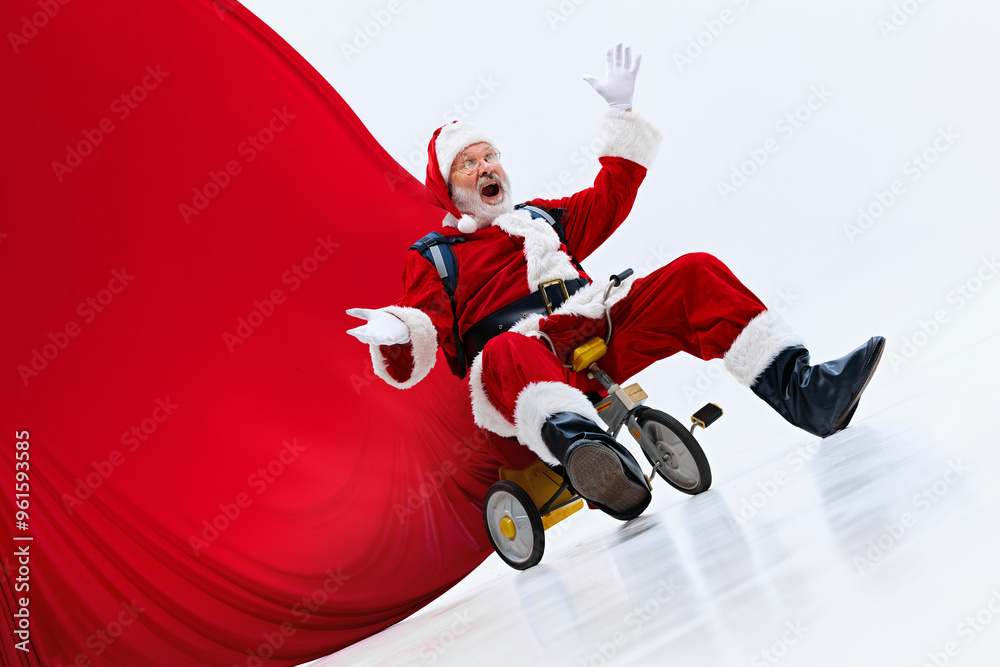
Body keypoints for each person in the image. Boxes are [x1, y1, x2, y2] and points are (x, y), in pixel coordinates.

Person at [347, 44, 884, 521]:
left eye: (491, 157)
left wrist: (620, 112)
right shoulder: (437, 257)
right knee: (506, 350)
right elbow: (423, 324)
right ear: (448, 186)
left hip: (592, 330)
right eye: (470, 163)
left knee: (695, 272)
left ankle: (806, 392)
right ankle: (595, 460)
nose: (487, 167)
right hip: (524, 369)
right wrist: (397, 330)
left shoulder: (539, 219)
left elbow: (609, 198)